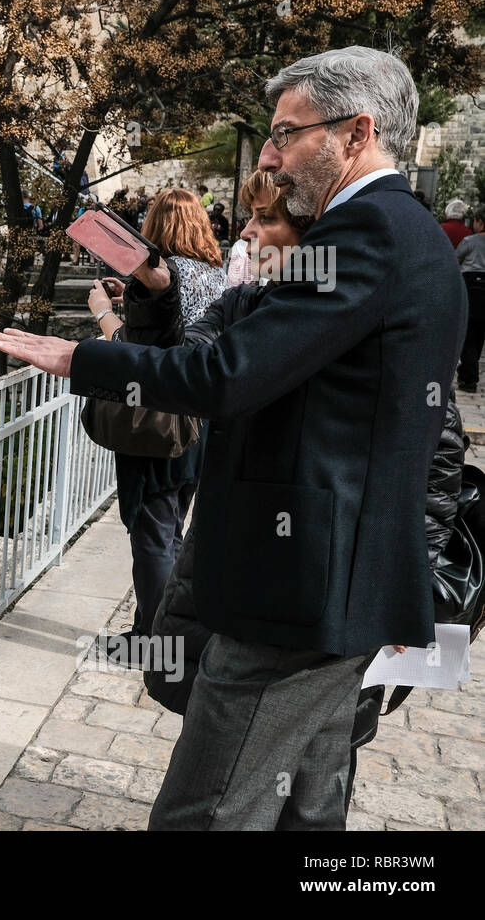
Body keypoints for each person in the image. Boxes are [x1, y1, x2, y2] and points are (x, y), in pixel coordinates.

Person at [0, 45, 466, 829]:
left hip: (301, 592)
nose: (271, 157)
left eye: (286, 133)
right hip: (333, 586)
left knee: (202, 813)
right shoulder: (390, 229)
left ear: (356, 133)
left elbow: (225, 376)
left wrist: (81, 357)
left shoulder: (369, 231)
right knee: (306, 813)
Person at [140, 167, 466, 817]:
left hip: (327, 598)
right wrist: (152, 305)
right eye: (250, 219)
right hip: (240, 573)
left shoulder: (375, 322)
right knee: (264, 778)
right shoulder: (245, 307)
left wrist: (416, 586)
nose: (248, 234)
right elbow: (177, 388)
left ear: (314, 238)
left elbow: (435, 468)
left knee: (294, 798)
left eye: (266, 222)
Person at [84, 188, 227, 659]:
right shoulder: (215, 275)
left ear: (154, 229)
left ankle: (153, 641)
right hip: (201, 422)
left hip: (159, 422)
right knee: (171, 528)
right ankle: (163, 627)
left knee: (151, 534)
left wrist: (104, 313)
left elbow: (141, 352)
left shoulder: (172, 277)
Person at [456, 208, 485, 392]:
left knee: (468, 335)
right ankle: (469, 370)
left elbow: (454, 258)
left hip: (472, 287)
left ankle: (469, 378)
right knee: (480, 334)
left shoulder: (470, 241)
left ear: (480, 222)